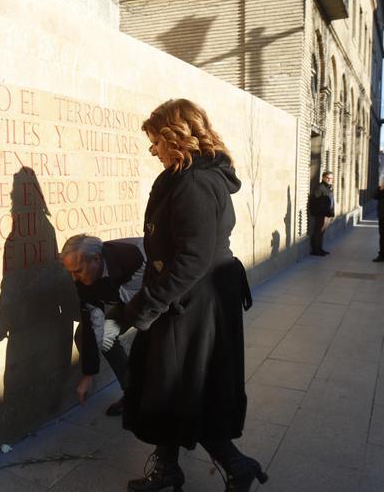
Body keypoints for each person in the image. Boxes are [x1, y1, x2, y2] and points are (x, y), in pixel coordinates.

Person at [122, 98, 264, 492]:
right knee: (172, 385)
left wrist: (149, 304)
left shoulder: (196, 182)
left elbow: (194, 257)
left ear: (175, 136)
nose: (152, 150)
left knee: (185, 388)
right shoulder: (187, 175)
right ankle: (169, 469)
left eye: (155, 141)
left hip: (193, 303)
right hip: (190, 299)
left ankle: (236, 465)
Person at [60, 234, 145, 416]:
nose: (74, 278)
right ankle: (134, 396)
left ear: (96, 259)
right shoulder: (83, 280)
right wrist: (88, 375)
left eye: (78, 271)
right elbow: (92, 319)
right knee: (98, 335)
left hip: (159, 300)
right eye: (71, 272)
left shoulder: (135, 254)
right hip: (129, 304)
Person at [310, 171, 335, 256]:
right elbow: (313, 200)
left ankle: (320, 249)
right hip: (320, 214)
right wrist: (319, 210)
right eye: (328, 178)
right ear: (323, 178)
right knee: (318, 232)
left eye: (331, 178)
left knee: (322, 232)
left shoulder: (329, 187)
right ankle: (316, 250)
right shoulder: (320, 187)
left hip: (327, 214)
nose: (329, 179)